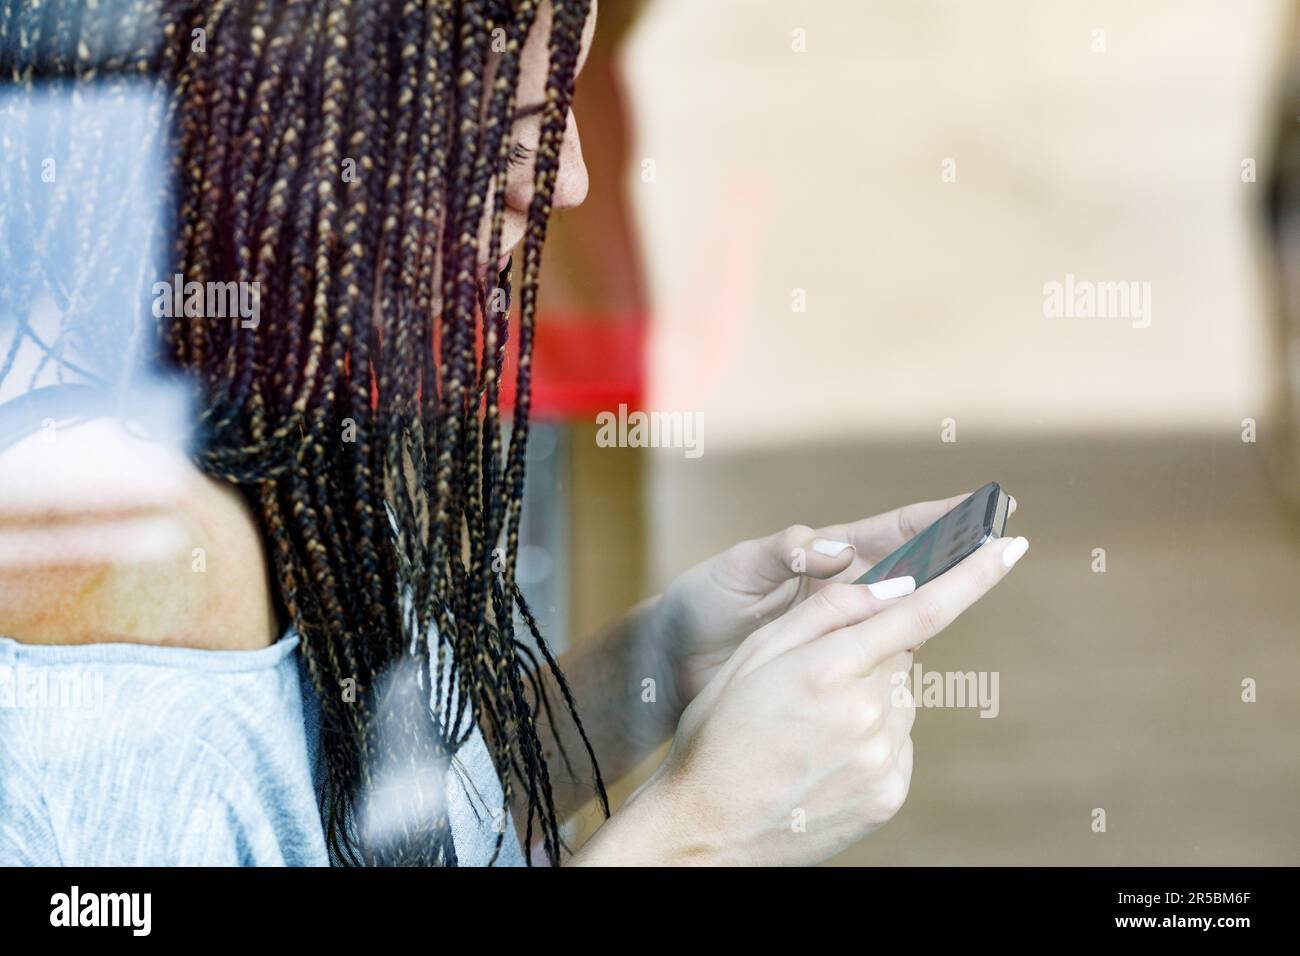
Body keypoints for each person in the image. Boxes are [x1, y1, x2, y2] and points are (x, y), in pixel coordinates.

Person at [0, 0, 1028, 866]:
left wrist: (655, 672)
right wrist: (705, 830)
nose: (568, 179)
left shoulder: (271, 431)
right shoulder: (123, 548)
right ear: (301, 115)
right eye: (520, 121)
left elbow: (362, 835)